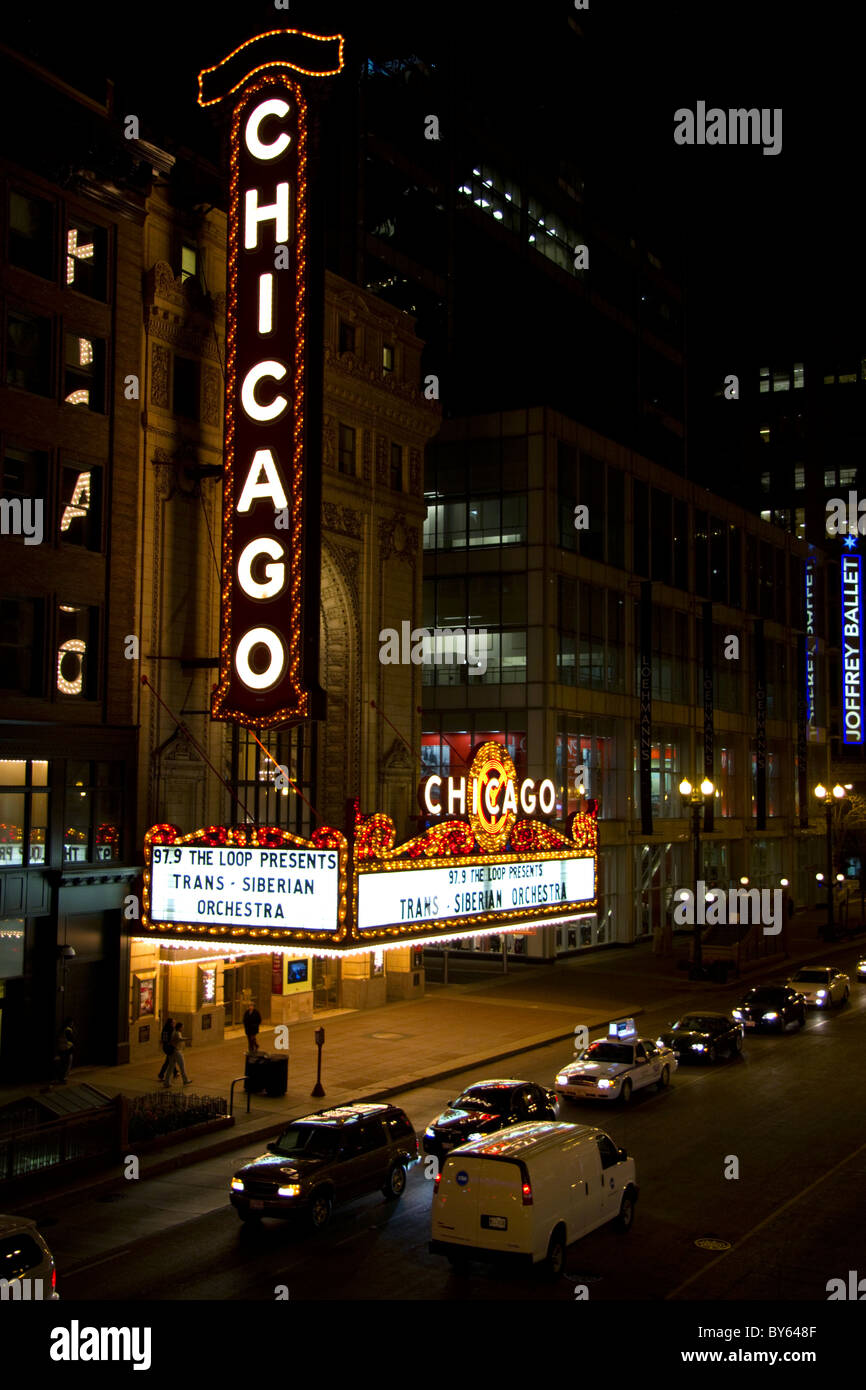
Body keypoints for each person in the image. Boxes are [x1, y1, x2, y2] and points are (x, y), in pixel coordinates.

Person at [164, 1021, 192, 1087]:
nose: (182, 1028)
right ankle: (185, 1080)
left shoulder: (174, 1032)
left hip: (172, 1052)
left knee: (170, 1067)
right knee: (182, 1066)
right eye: (182, 1027)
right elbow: (180, 1039)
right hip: (177, 1052)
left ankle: (166, 1082)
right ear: (179, 1027)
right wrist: (187, 1039)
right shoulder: (177, 1033)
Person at [55, 1018, 75, 1084]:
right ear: (69, 1023)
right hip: (67, 1049)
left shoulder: (61, 1029)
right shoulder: (68, 1030)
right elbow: (71, 1039)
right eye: (72, 1022)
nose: (73, 1024)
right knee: (66, 1064)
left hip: (61, 1048)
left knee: (62, 1064)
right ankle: (63, 1078)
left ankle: (60, 1078)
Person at [157, 1016, 175, 1083]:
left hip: (165, 1046)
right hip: (169, 1047)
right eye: (173, 1022)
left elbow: (164, 1038)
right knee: (168, 1061)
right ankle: (161, 1074)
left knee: (171, 1060)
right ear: (170, 1023)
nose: (174, 1024)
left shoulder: (165, 1028)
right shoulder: (171, 1029)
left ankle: (175, 1072)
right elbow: (172, 1038)